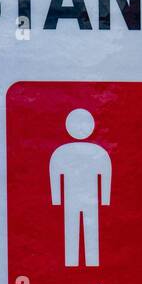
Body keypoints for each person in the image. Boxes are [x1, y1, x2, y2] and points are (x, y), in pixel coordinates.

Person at [49, 108, 111, 266]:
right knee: (76, 228)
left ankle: (86, 262)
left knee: (83, 229)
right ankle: (77, 262)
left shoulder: (62, 152)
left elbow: (105, 176)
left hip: (84, 198)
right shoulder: (97, 152)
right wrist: (56, 199)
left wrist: (105, 199)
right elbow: (55, 176)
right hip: (79, 198)